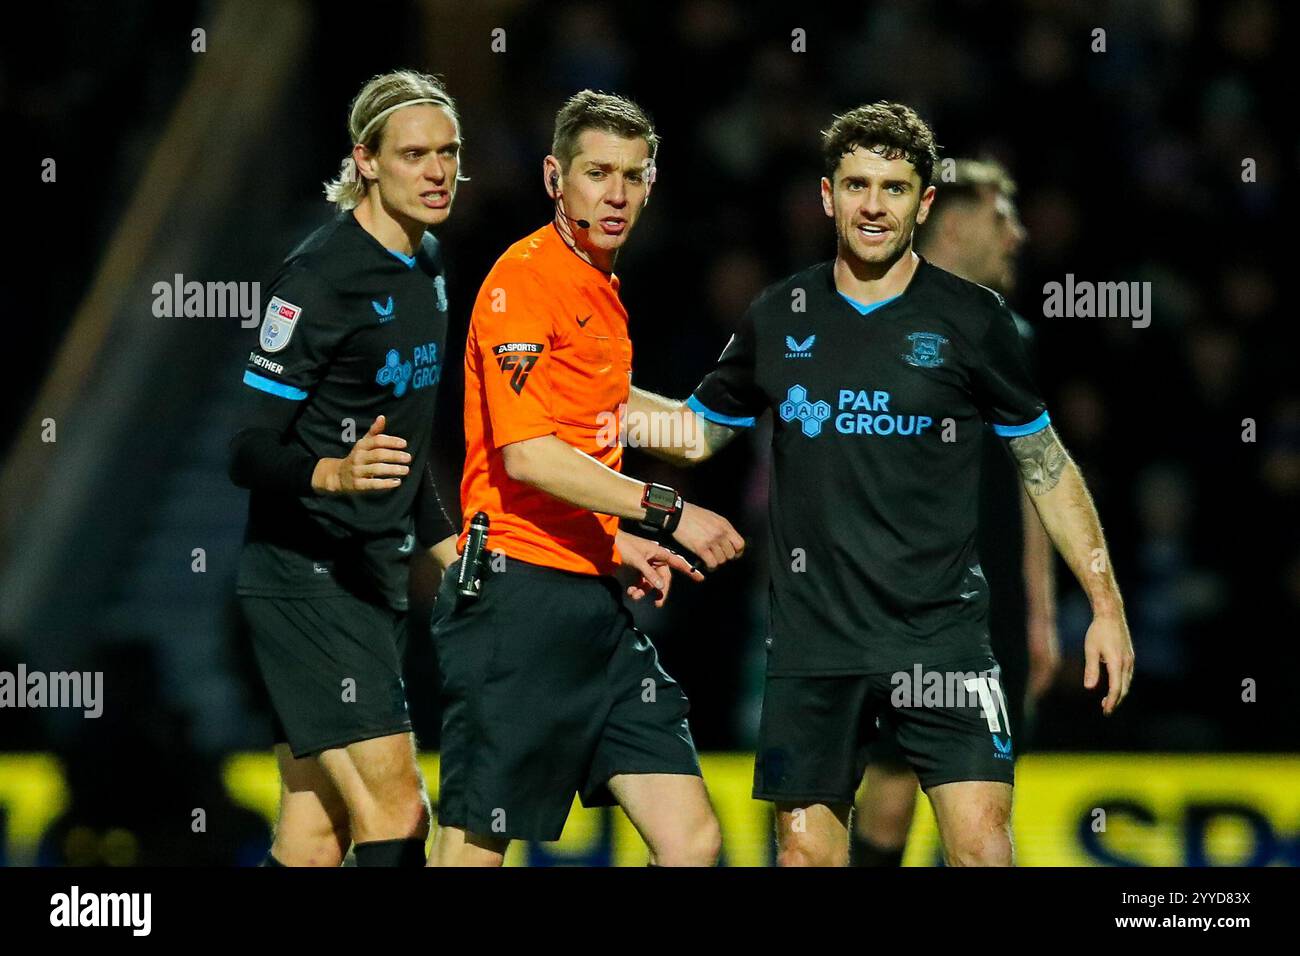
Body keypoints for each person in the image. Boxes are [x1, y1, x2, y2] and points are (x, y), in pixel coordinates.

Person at [629, 102, 1134, 866]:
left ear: (924, 203)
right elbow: (694, 432)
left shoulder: (974, 320)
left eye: (894, 188)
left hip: (946, 642)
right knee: (808, 859)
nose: (873, 205)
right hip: (814, 646)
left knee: (982, 851)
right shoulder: (780, 313)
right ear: (827, 195)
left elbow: (1048, 466)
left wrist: (1104, 604)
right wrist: (587, 386)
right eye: (857, 185)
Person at [427, 90, 743, 867]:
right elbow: (528, 453)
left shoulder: (597, 289)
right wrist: (664, 513)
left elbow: (647, 425)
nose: (617, 194)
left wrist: (776, 370)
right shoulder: (526, 280)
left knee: (693, 838)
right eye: (597, 173)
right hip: (517, 600)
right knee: (473, 849)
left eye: (634, 176)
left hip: (593, 608)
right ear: (553, 178)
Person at [229, 70, 463, 867]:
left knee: (316, 829)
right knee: (397, 811)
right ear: (364, 160)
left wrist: (452, 556)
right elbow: (247, 448)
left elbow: (401, 460)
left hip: (373, 582)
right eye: (413, 154)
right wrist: (331, 473)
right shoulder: (316, 280)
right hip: (305, 579)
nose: (437, 172)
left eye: (449, 152)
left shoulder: (430, 265)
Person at [851, 158, 1060, 866]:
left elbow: (1036, 479)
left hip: (992, 607)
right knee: (891, 784)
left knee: (980, 801)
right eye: (1004, 217)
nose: (1018, 235)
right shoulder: (875, 324)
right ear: (958, 222)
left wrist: (1038, 609)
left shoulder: (1013, 338)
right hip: (901, 601)